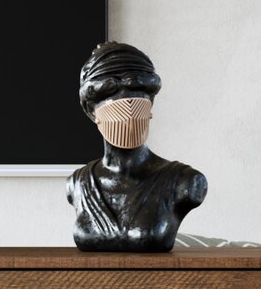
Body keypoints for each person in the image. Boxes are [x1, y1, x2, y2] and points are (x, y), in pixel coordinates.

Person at [67, 41, 207, 252]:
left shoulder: (185, 183)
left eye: (137, 93)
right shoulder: (78, 184)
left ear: (151, 101)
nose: (129, 109)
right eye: (114, 94)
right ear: (90, 109)